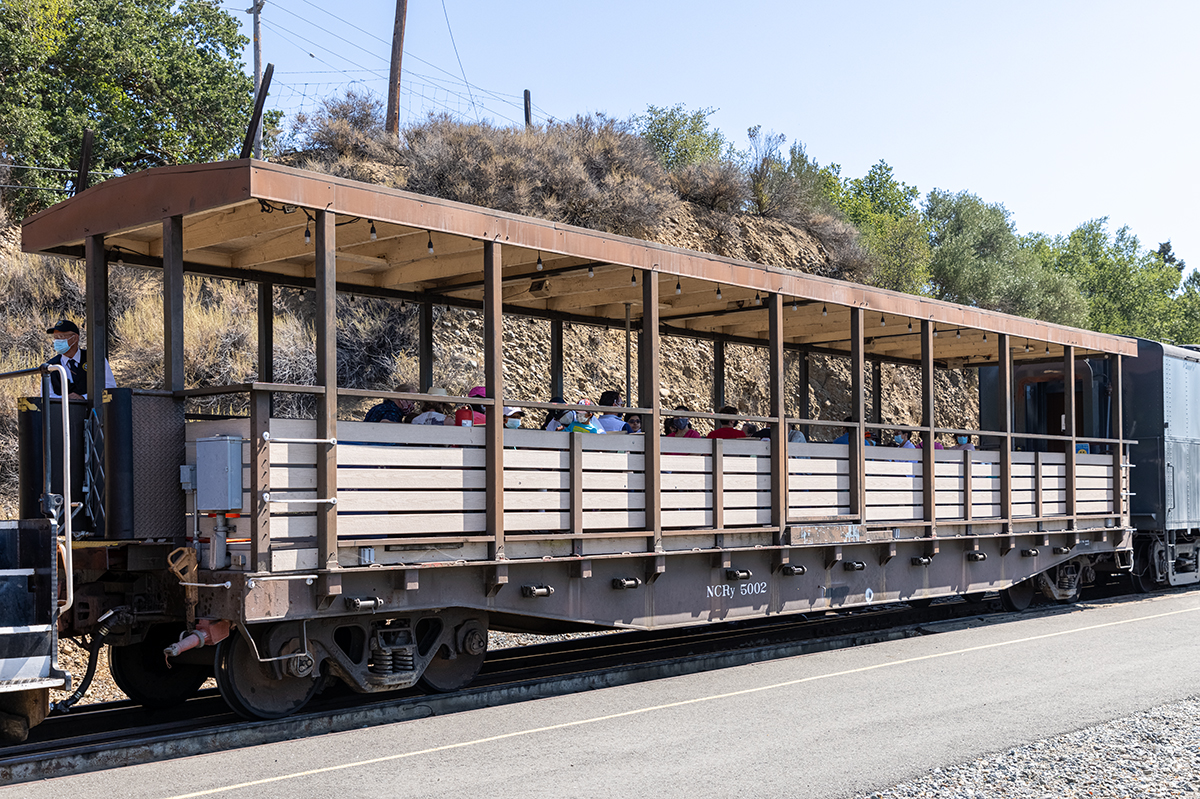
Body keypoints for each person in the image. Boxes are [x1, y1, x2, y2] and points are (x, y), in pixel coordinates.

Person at [43, 319, 115, 400]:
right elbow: (46, 396)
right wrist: (66, 400)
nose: (57, 341)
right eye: (55, 337)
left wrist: (84, 398)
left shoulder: (96, 359)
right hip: (61, 411)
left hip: (94, 411)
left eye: (61, 337)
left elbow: (110, 387)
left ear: (75, 338)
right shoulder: (50, 366)